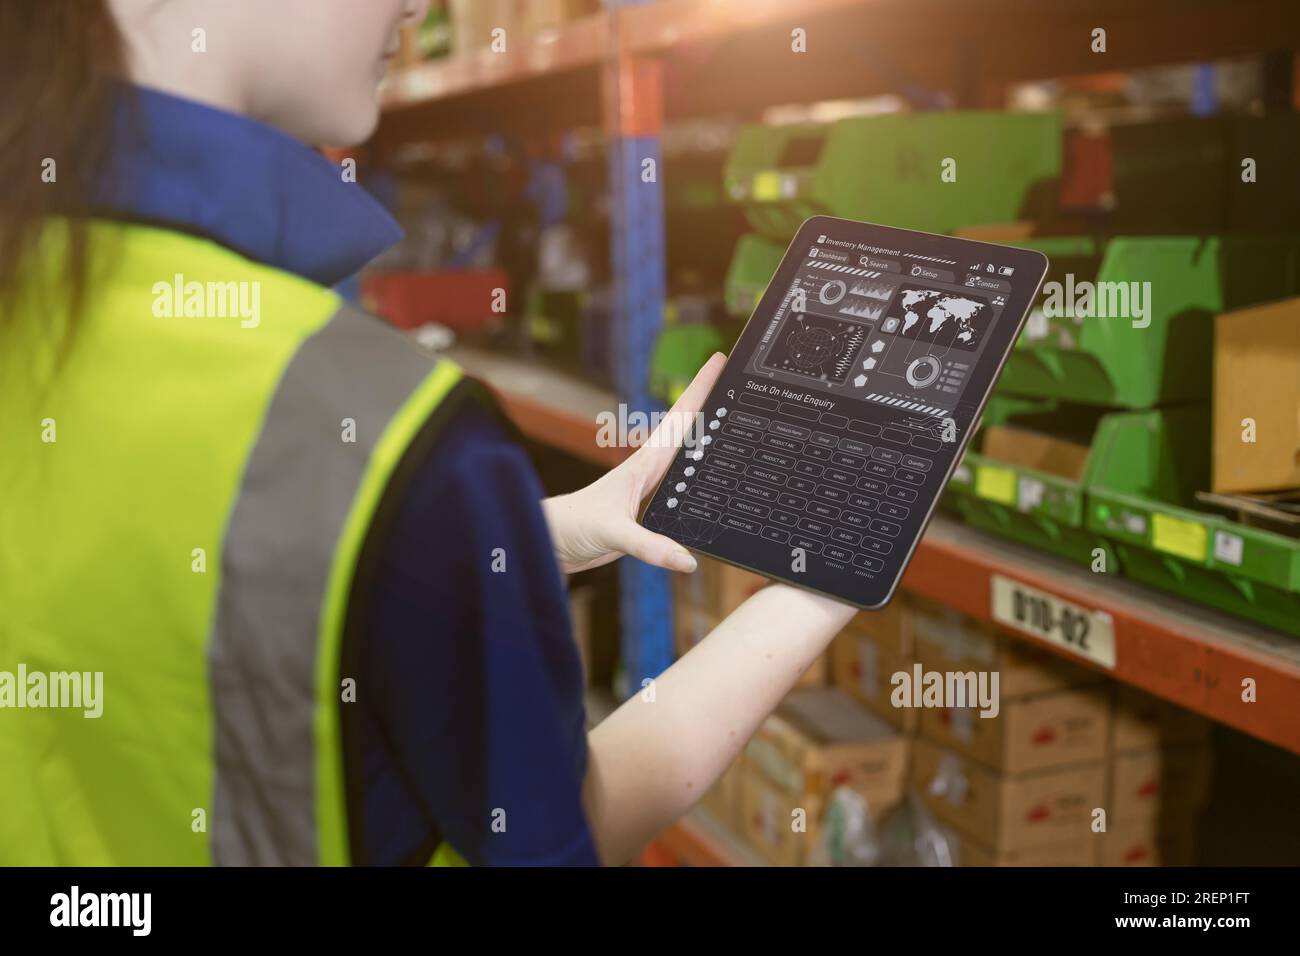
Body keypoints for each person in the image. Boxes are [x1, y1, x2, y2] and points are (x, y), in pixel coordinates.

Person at [0, 0, 856, 866]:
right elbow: (572, 829)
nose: (415, 5)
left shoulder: (42, 286)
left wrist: (512, 543)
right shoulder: (391, 428)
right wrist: (818, 580)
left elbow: (162, 563)